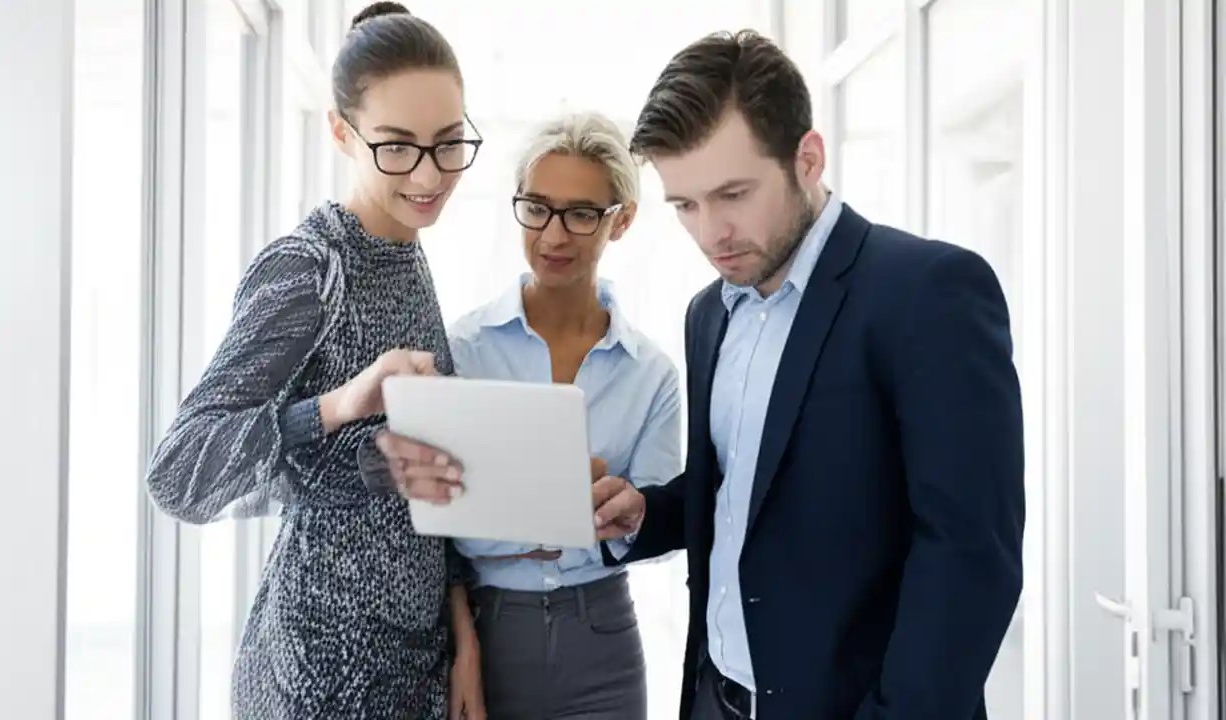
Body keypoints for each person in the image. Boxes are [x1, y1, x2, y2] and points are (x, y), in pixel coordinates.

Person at [379, 29, 1025, 720]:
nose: (711, 233)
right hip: (717, 699)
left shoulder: (927, 291)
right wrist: (644, 513)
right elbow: (739, 487)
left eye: (733, 194)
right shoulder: (709, 314)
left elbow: (970, 556)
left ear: (808, 159)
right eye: (685, 205)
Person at [143, 3, 486, 718]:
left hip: (416, 671)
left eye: (448, 143)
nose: (429, 175)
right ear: (340, 130)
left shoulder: (407, 249)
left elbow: (419, 479)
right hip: (315, 677)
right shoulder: (308, 268)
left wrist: (465, 644)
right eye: (396, 146)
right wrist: (340, 404)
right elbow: (179, 474)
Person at [444, 112, 682, 719]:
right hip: (486, 627)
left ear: (621, 220)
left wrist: (624, 510)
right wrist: (463, 641)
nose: (553, 236)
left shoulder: (651, 375)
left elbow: (655, 528)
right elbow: (430, 524)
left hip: (602, 635)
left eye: (581, 214)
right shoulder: (463, 350)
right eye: (537, 208)